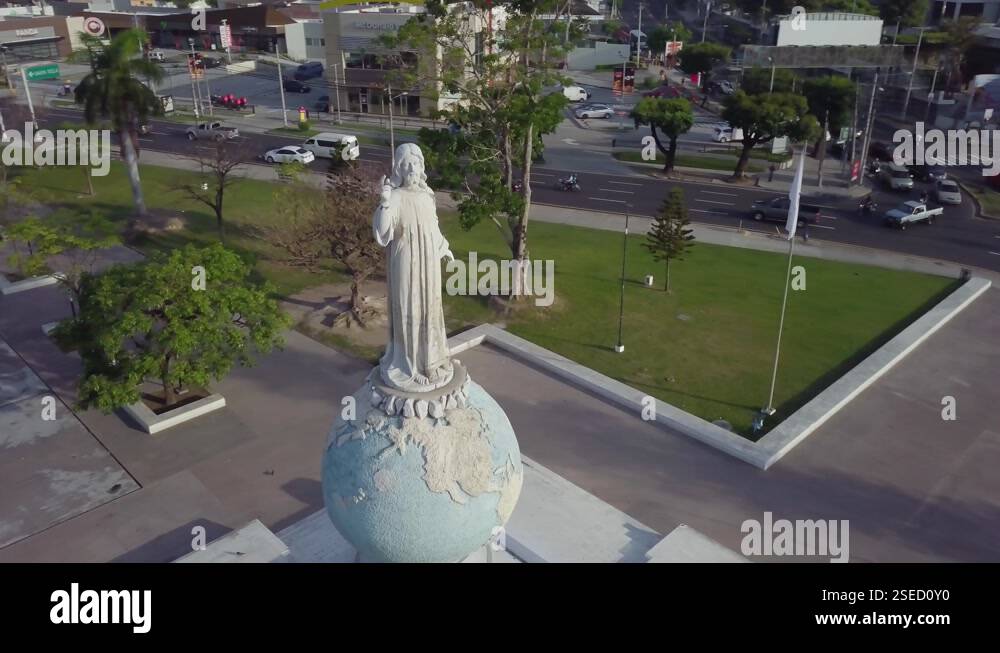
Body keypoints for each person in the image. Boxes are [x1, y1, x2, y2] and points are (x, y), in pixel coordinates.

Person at [373, 143, 455, 392]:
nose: (411, 168)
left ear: (421, 167)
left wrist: (444, 248)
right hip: (406, 261)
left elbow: (434, 227)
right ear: (399, 168)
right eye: (406, 163)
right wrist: (385, 203)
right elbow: (383, 231)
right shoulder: (395, 197)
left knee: (430, 306)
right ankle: (410, 365)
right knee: (409, 308)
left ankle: (431, 361)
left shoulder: (426, 195)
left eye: (415, 163)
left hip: (428, 261)